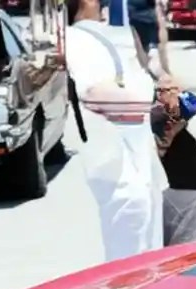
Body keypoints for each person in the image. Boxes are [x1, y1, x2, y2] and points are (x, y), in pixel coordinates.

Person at [64, 0, 167, 261]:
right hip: (119, 175)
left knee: (148, 255)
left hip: (140, 169)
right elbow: (94, 93)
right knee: (128, 265)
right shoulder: (76, 38)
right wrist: (152, 104)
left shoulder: (116, 33)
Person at [151, 75, 196, 245]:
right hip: (184, 193)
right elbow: (195, 104)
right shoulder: (161, 115)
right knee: (185, 249)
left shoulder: (167, 114)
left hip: (183, 190)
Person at [129, 0, 172, 77]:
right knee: (144, 42)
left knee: (141, 43)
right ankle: (162, 69)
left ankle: (146, 69)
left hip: (136, 11)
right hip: (144, 12)